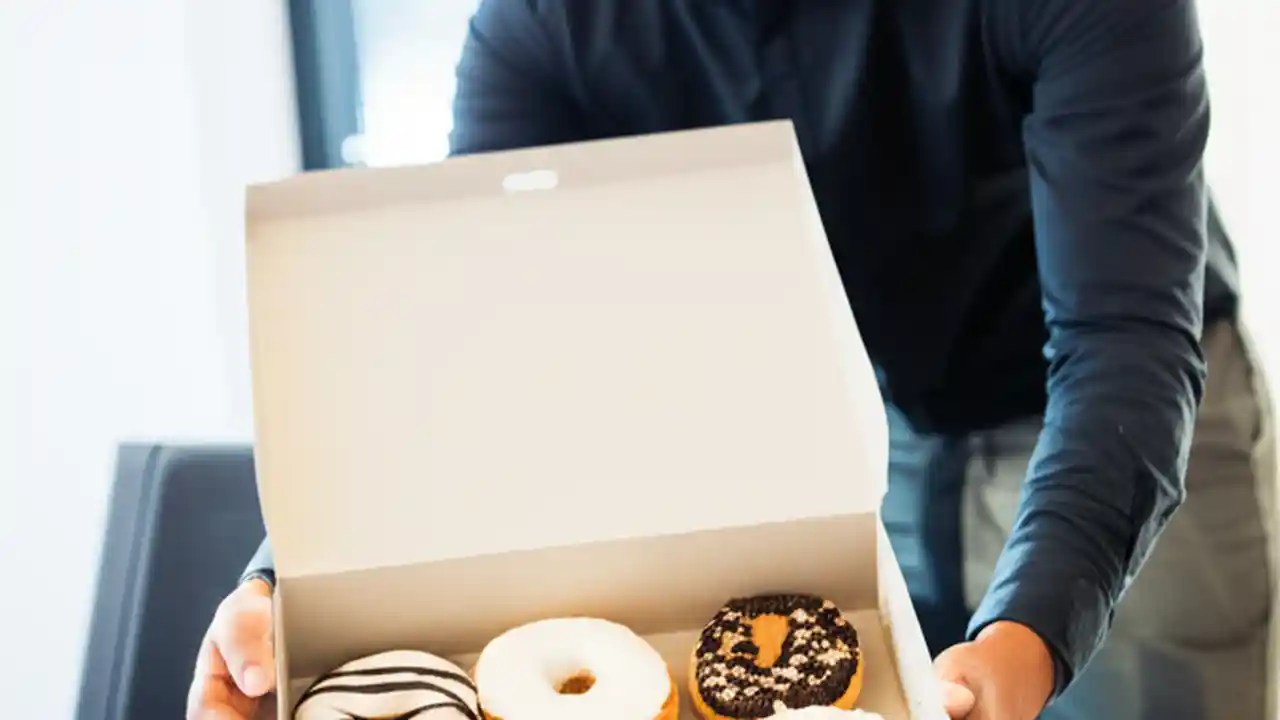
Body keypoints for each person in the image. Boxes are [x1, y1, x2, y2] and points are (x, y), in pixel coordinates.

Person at [187, 1, 1277, 719]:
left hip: (1113, 419)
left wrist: (1028, 636)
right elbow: (471, 342)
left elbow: (1122, 339)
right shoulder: (544, 24)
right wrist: (280, 581)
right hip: (843, 416)